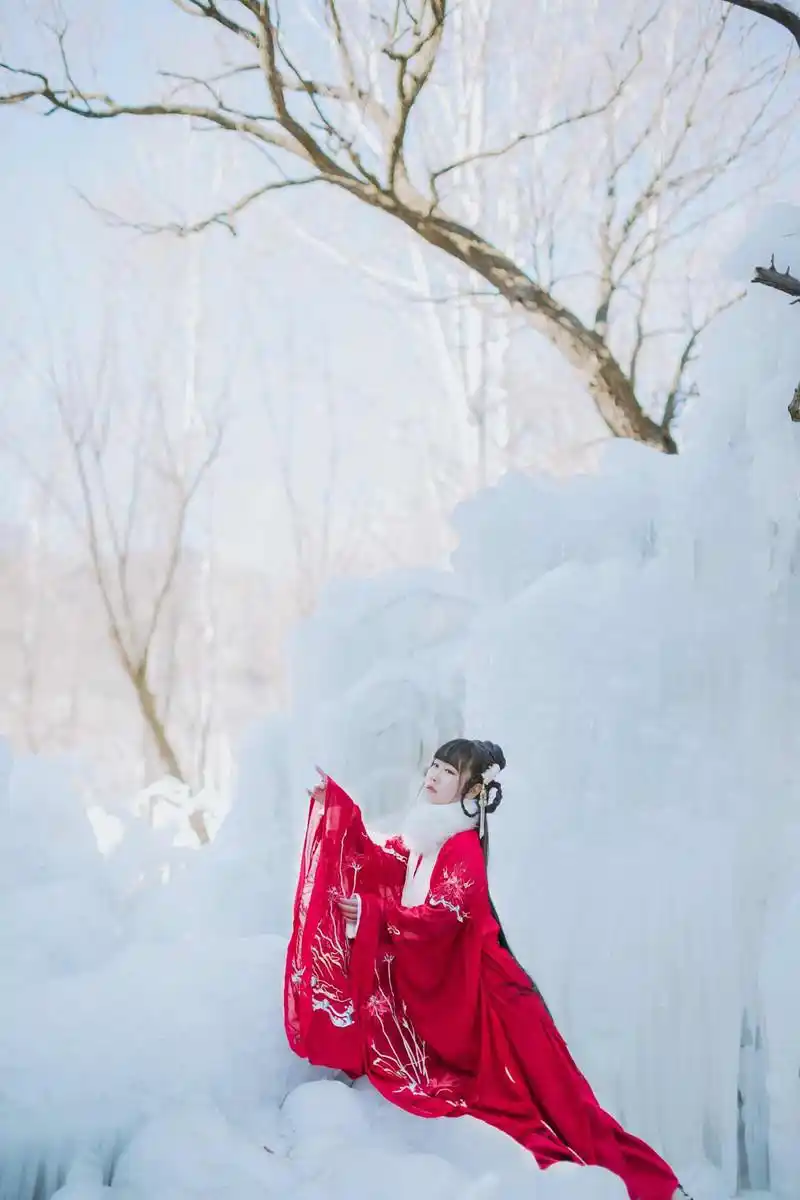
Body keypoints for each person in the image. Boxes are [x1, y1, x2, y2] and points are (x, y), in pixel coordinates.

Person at [284, 738, 691, 1200]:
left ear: (471, 788)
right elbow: (384, 864)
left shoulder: (462, 847)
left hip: (494, 1000)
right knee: (532, 1109)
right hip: (473, 992)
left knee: (562, 1104)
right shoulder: (426, 835)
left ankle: (652, 1186)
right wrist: (338, 811)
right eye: (434, 766)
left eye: (449, 772)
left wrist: (377, 915)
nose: (434, 776)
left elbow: (444, 915)